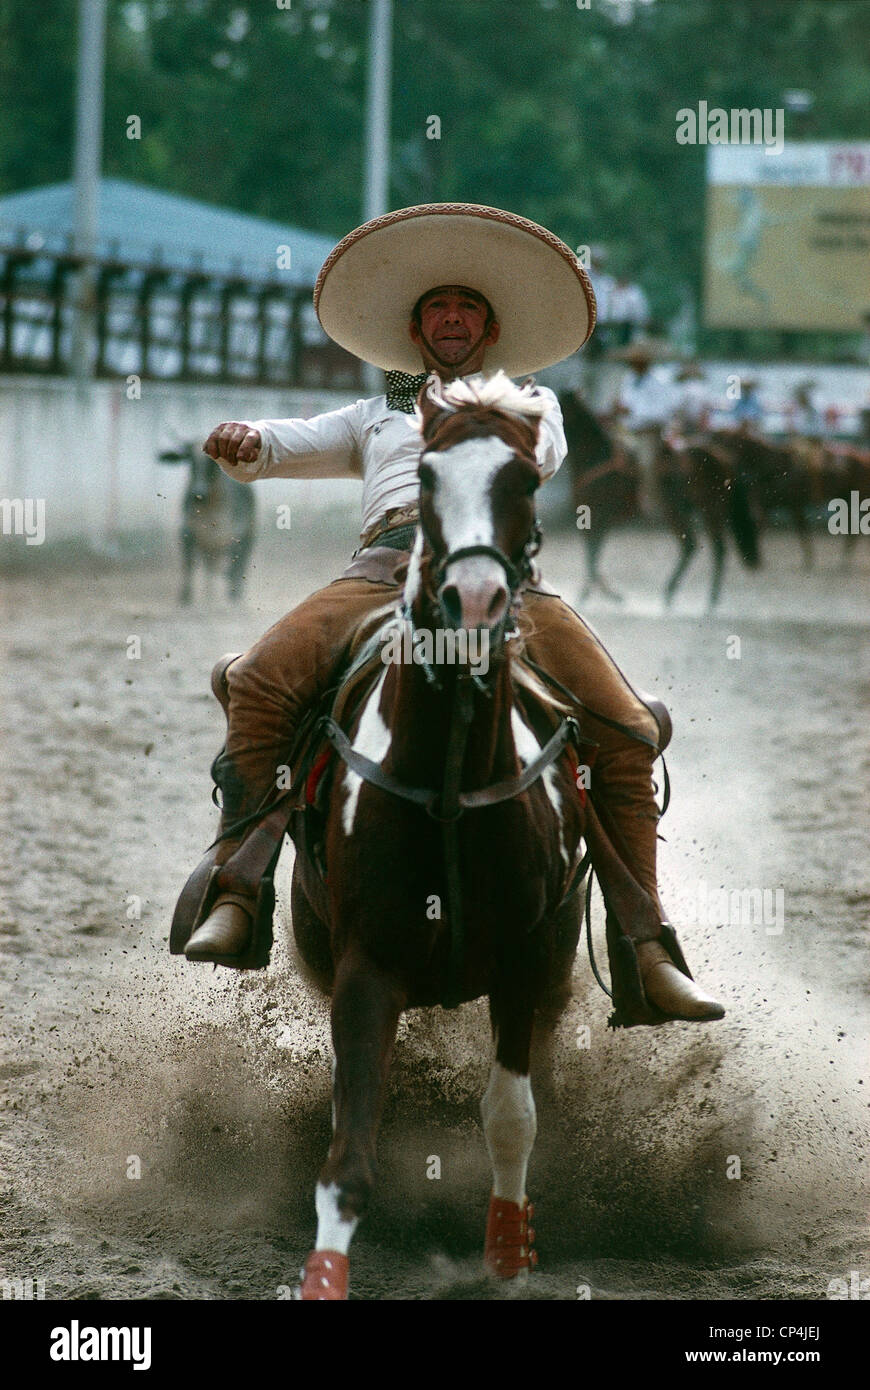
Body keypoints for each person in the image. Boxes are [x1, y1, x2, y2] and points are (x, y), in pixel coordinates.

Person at [173, 202, 723, 1026]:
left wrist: (478, 415)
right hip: (381, 576)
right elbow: (293, 440)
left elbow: (535, 458)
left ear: (490, 326)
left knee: (630, 728)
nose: (452, 317)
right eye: (437, 307)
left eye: (467, 306)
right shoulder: (382, 407)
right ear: (417, 327)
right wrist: (247, 441)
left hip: (502, 583)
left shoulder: (531, 403)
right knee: (255, 680)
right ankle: (237, 888)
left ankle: (647, 945)